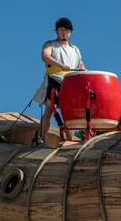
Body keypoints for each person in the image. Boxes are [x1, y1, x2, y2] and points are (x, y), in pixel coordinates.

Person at [34, 17, 85, 146]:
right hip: (54, 80)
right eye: (61, 30)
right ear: (56, 31)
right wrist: (60, 65)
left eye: (67, 30)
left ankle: (70, 141)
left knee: (69, 113)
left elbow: (82, 67)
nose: (64, 33)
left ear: (70, 32)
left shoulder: (75, 49)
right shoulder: (50, 44)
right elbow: (45, 56)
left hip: (71, 84)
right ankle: (42, 139)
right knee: (50, 110)